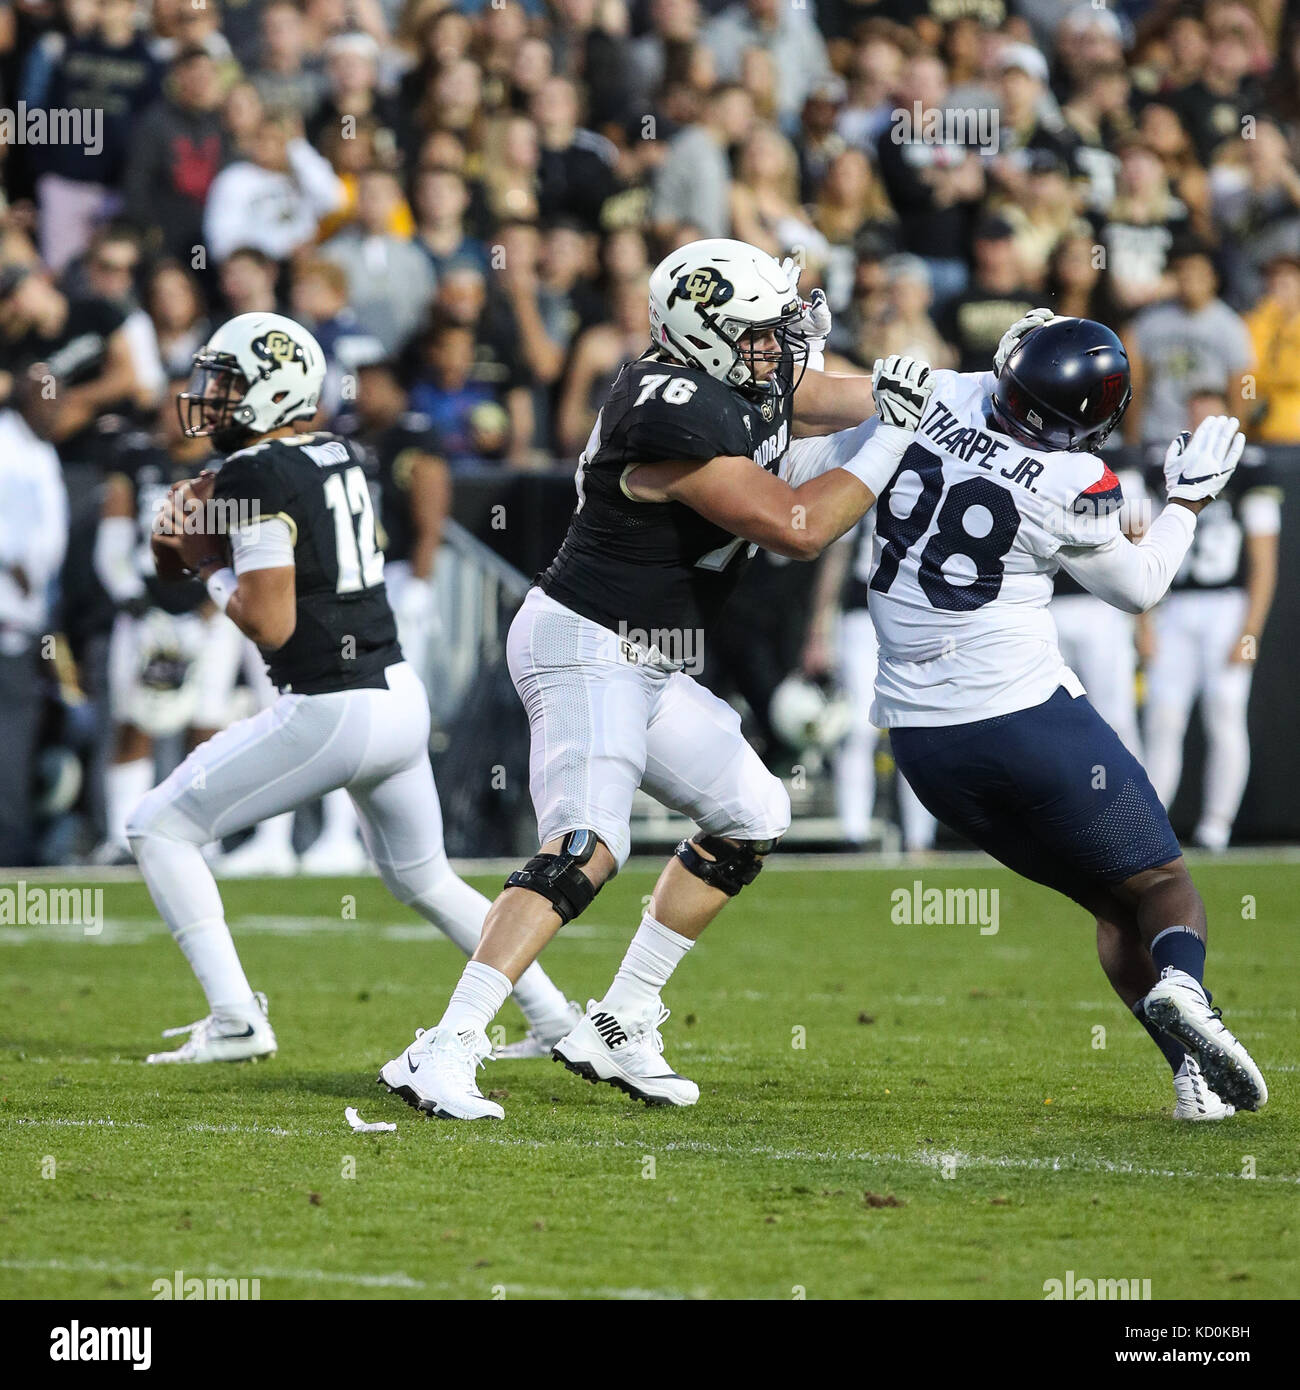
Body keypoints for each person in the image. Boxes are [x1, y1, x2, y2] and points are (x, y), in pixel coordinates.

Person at [375, 239, 914, 1120]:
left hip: (647, 658)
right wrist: (899, 430)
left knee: (754, 813)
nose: (779, 350)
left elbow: (830, 391)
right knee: (586, 846)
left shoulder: (738, 373)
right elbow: (799, 525)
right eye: (761, 334)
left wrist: (970, 387)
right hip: (586, 643)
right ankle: (445, 1046)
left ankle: (619, 1019)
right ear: (705, 337)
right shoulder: (669, 406)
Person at [127, 311, 574, 1062]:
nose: (211, 397)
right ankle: (556, 1017)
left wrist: (206, 566)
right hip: (395, 694)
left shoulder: (255, 472)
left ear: (272, 391)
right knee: (425, 880)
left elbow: (267, 623)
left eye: (229, 385)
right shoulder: (336, 449)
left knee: (157, 828)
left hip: (334, 704)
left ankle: (236, 1018)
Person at [863, 313, 1267, 1121]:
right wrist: (1188, 498)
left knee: (1113, 903)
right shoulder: (1074, 483)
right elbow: (1141, 586)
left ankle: (1191, 1078)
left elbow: (827, 401)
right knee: (1162, 882)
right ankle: (1188, 991)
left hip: (921, 745)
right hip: (1020, 718)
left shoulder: (935, 398)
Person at [1141, 390, 1282, 851]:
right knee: (1163, 715)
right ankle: (1152, 827)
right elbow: (1144, 543)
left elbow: (1263, 561)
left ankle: (1215, 828)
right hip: (1174, 605)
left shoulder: (1251, 472)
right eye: (1195, 416)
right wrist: (1144, 623)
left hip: (1227, 605)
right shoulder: (1162, 469)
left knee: (1224, 711)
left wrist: (1250, 632)